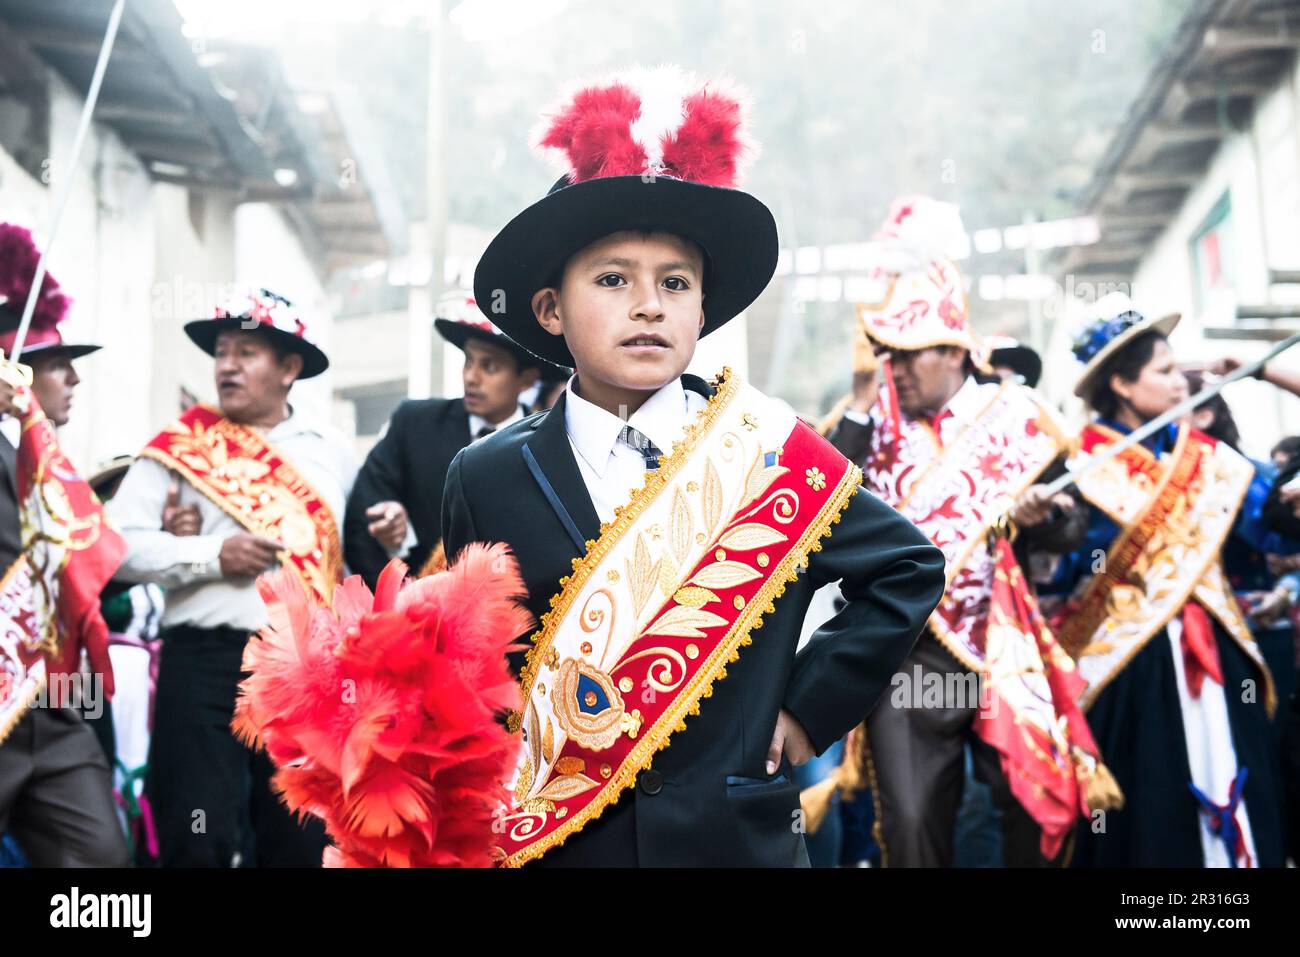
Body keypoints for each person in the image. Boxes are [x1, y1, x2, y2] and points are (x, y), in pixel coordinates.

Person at [442, 67, 946, 867]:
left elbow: (909, 568)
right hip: (561, 846)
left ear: (702, 311)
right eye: (613, 280)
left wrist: (808, 713)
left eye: (675, 284)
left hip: (737, 840)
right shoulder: (484, 475)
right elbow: (477, 665)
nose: (650, 305)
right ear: (550, 310)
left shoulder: (772, 450)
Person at [820, 196, 1096, 868]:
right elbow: (822, 520)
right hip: (911, 653)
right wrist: (859, 405)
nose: (898, 369)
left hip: (1004, 643)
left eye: (910, 353)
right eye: (888, 353)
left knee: (1034, 805)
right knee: (912, 823)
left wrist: (1047, 515)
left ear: (954, 349)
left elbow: (1076, 525)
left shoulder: (1022, 414)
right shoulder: (865, 422)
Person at [107, 289, 356, 867]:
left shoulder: (334, 456)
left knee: (298, 837)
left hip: (303, 670)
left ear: (289, 368)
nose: (227, 365)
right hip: (203, 666)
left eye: (247, 352)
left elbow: (356, 566)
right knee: (197, 832)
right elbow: (115, 548)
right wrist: (210, 555)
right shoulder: (180, 448)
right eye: (222, 352)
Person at [1042, 293, 1292, 867]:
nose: (1181, 383)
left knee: (1241, 780)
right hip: (1128, 667)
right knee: (1149, 807)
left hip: (1219, 654)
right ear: (1123, 386)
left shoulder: (1211, 459)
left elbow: (1271, 528)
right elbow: (1056, 570)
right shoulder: (1075, 466)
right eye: (1164, 371)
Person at [0, 222, 128, 866]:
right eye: (57, 364)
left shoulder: (52, 464)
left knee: (100, 861)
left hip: (49, 706)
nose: (73, 379)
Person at [343, 291, 566, 586]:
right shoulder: (414, 424)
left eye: (489, 366)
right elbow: (362, 520)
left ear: (525, 379)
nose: (471, 377)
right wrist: (398, 603)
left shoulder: (550, 443)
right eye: (469, 361)